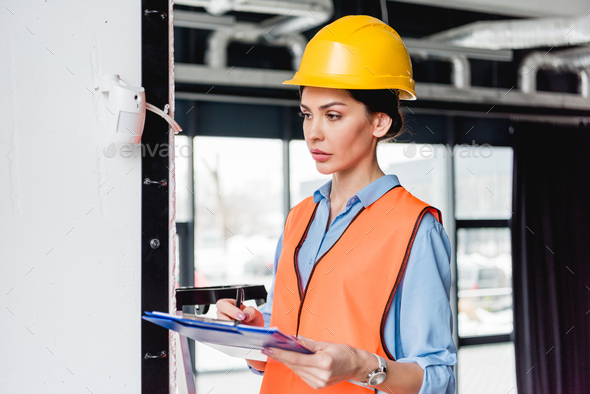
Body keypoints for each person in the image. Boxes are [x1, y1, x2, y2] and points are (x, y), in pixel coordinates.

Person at [216, 14, 457, 394]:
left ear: (378, 122)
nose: (314, 132)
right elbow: (290, 340)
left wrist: (363, 367)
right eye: (307, 115)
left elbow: (439, 378)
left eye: (333, 115)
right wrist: (254, 329)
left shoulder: (415, 227)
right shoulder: (299, 218)